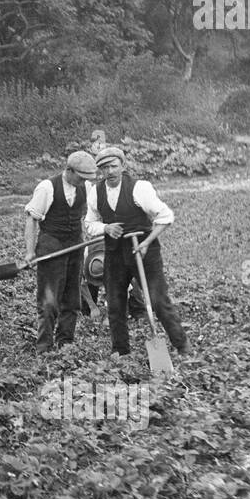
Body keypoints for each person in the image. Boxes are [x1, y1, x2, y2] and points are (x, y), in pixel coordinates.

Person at [84, 146, 188, 359]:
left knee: (158, 300)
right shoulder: (96, 192)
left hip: (143, 249)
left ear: (122, 166)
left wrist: (147, 242)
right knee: (114, 302)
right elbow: (90, 223)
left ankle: (182, 345)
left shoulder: (140, 188)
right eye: (105, 168)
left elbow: (165, 216)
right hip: (114, 251)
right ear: (100, 171)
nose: (110, 171)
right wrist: (106, 228)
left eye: (114, 166)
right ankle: (121, 351)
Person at [23, 150, 99, 352]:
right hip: (52, 247)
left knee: (72, 300)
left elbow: (92, 215)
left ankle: (66, 343)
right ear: (69, 170)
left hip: (75, 247)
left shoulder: (87, 187)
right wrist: (30, 253)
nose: (84, 182)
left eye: (86, 179)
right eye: (81, 177)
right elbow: (32, 219)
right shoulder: (46, 188)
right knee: (49, 302)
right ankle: (44, 346)